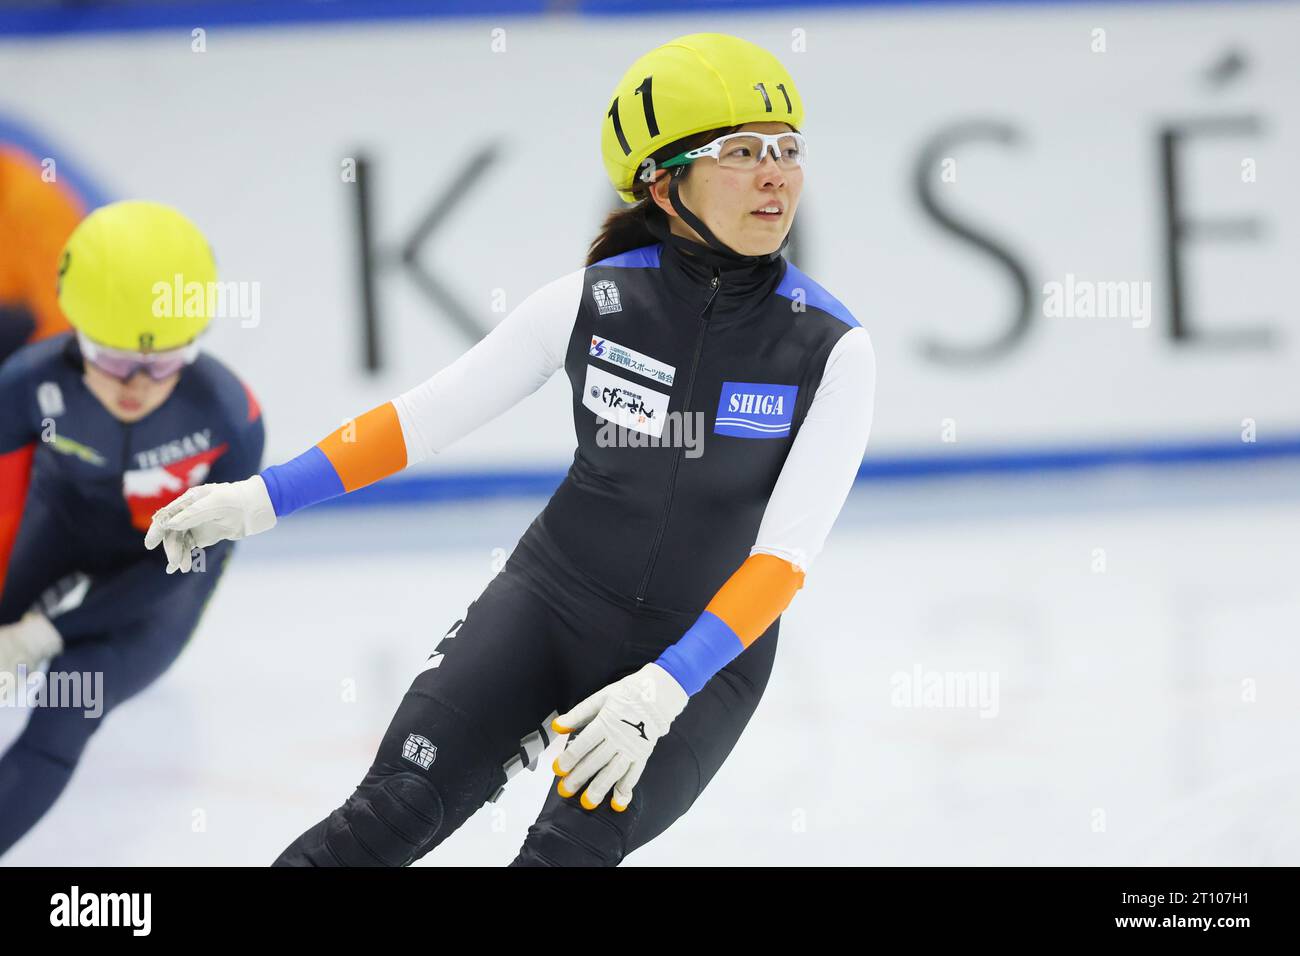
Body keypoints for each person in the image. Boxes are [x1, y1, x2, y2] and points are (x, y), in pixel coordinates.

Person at [149, 32, 876, 867]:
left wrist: (664, 687)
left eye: (788, 150)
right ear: (662, 181)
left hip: (703, 655)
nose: (777, 173)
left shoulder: (832, 348)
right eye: (741, 152)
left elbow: (783, 560)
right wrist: (259, 499)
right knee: (388, 816)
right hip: (551, 605)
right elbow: (421, 419)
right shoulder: (592, 302)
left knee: (562, 853)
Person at [0, 200, 265, 857]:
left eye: (164, 362)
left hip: (158, 580)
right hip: (56, 532)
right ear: (77, 331)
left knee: (68, 706)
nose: (136, 385)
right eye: (112, 360)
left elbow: (183, 570)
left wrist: (46, 632)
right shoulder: (27, 385)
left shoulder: (231, 418)